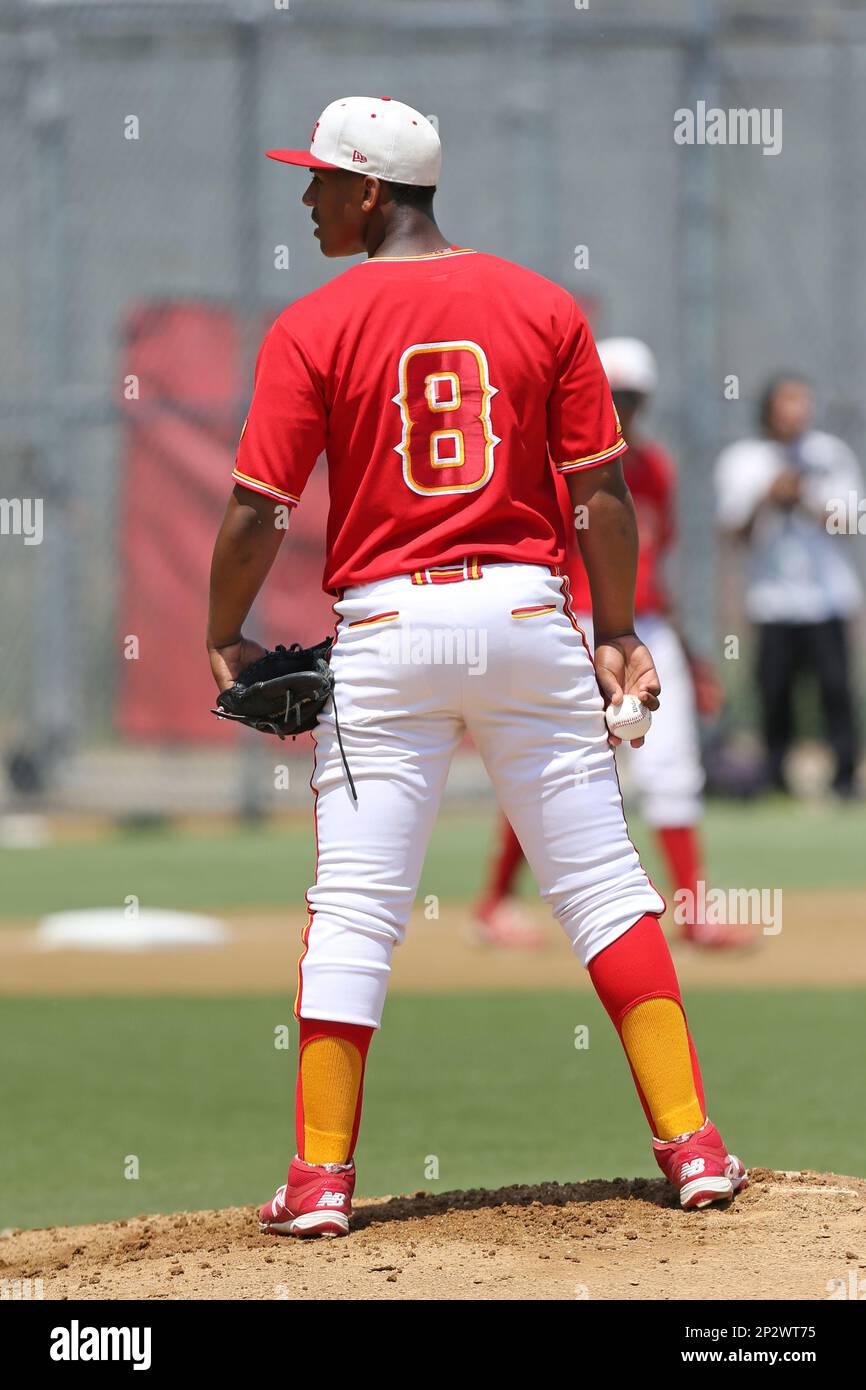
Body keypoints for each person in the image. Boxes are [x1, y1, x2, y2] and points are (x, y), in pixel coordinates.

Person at [207, 96, 747, 1237]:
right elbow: (598, 493)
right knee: (601, 885)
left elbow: (258, 509)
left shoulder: (313, 322)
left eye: (321, 179)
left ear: (369, 191)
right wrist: (615, 629)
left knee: (356, 907)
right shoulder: (542, 303)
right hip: (522, 613)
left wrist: (223, 633)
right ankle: (693, 1145)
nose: (306, 197)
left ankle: (319, 1179)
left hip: (389, 629)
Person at [476, 338, 750, 950]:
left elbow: (651, 565)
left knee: (672, 766)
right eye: (611, 395)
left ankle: (694, 912)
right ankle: (493, 904)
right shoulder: (554, 466)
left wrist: (685, 648)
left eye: (631, 397)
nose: (621, 407)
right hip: (572, 623)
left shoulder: (654, 468)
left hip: (644, 628)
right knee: (553, 765)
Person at [715, 375, 862, 798]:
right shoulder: (743, 460)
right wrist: (768, 498)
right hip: (771, 599)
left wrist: (806, 499)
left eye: (803, 401)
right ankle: (775, 774)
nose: (798, 411)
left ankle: (844, 777)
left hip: (828, 597)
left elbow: (852, 522)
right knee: (773, 689)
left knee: (835, 687)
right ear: (769, 409)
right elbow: (732, 532)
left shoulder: (831, 454)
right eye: (789, 401)